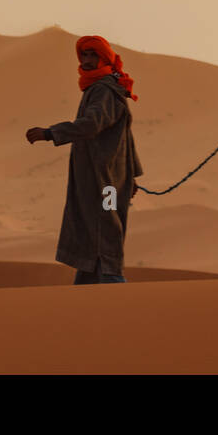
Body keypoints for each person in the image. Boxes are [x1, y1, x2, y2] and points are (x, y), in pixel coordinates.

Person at [26, 36, 143, 284]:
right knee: (93, 228)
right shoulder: (101, 87)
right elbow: (125, 134)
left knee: (105, 226)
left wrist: (51, 133)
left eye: (92, 55)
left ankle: (113, 289)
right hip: (101, 175)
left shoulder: (104, 90)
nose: (87, 60)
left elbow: (92, 124)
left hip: (106, 178)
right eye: (84, 55)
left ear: (104, 58)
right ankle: (86, 296)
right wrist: (133, 174)